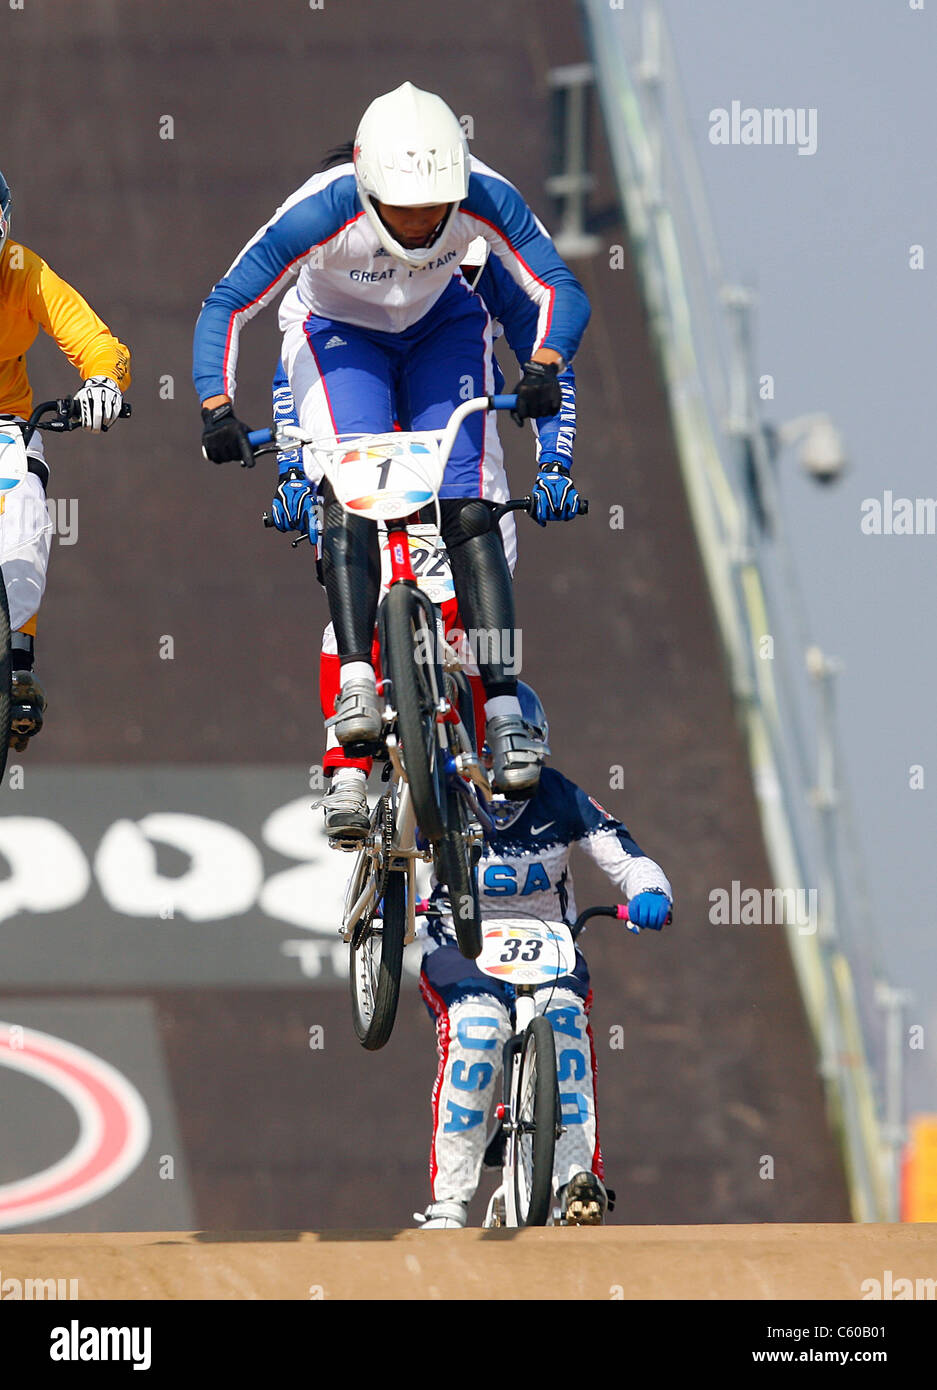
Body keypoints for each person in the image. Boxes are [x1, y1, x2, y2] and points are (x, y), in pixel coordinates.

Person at [193, 82, 590, 798]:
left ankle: (502, 706)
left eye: (435, 211)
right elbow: (228, 302)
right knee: (350, 483)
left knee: (471, 504)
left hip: (442, 329)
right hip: (340, 337)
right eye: (402, 211)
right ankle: (354, 680)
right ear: (368, 189)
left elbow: (558, 286)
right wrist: (217, 404)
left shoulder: (484, 197)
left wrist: (544, 367)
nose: (420, 226)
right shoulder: (321, 209)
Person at [267, 236, 582, 838]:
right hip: (370, 475)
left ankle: (491, 736)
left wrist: (554, 466)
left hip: (457, 473)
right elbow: (293, 380)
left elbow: (547, 366)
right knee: (350, 621)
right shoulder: (341, 269)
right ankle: (347, 777)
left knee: (473, 618)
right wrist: (292, 475)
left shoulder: (486, 269)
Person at [415, 683, 673, 1227]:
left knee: (564, 1028)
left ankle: (577, 1178)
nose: (515, 772)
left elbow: (626, 855)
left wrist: (651, 893)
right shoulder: (439, 793)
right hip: (463, 946)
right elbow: (397, 856)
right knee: (479, 1033)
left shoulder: (561, 796)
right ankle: (450, 1200)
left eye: (528, 753)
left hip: (548, 944)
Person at [0, 169, 131, 750]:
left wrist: (103, 381)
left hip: (7, 423)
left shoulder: (23, 271)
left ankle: (15, 664)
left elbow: (94, 337)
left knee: (26, 515)